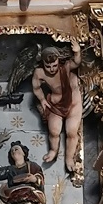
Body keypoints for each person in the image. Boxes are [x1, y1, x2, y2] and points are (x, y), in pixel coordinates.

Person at [30, 41, 83, 178]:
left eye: (54, 65)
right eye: (48, 66)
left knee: (71, 132)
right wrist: (42, 99)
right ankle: (53, 150)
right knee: (54, 131)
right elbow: (36, 88)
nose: (52, 69)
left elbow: (76, 63)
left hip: (73, 102)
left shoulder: (65, 67)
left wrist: (77, 51)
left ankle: (69, 158)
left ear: (58, 61)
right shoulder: (39, 72)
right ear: (43, 64)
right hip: (55, 104)